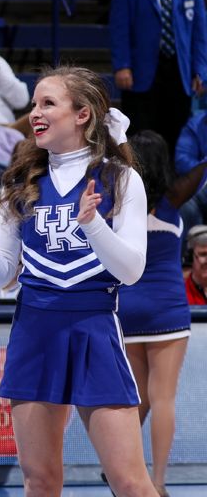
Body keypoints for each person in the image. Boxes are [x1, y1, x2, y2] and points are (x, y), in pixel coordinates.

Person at [0, 66, 158, 497]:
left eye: (47, 103)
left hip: (93, 327)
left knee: (131, 483)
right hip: (34, 330)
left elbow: (131, 272)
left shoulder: (121, 178)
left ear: (83, 114)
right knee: (40, 481)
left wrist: (92, 226)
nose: (34, 112)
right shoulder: (21, 181)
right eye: (34, 103)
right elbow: (1, 278)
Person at [118, 130, 197, 497]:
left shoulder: (118, 201)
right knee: (162, 397)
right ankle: (158, 483)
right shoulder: (172, 198)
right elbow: (202, 171)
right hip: (166, 308)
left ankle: (120, 472)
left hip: (128, 309)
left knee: (139, 399)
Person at [111, 0, 207, 149]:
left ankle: (172, 182)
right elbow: (119, 27)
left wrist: (200, 70)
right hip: (141, 70)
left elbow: (200, 33)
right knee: (140, 135)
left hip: (179, 69)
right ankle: (141, 183)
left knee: (176, 133)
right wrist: (122, 65)